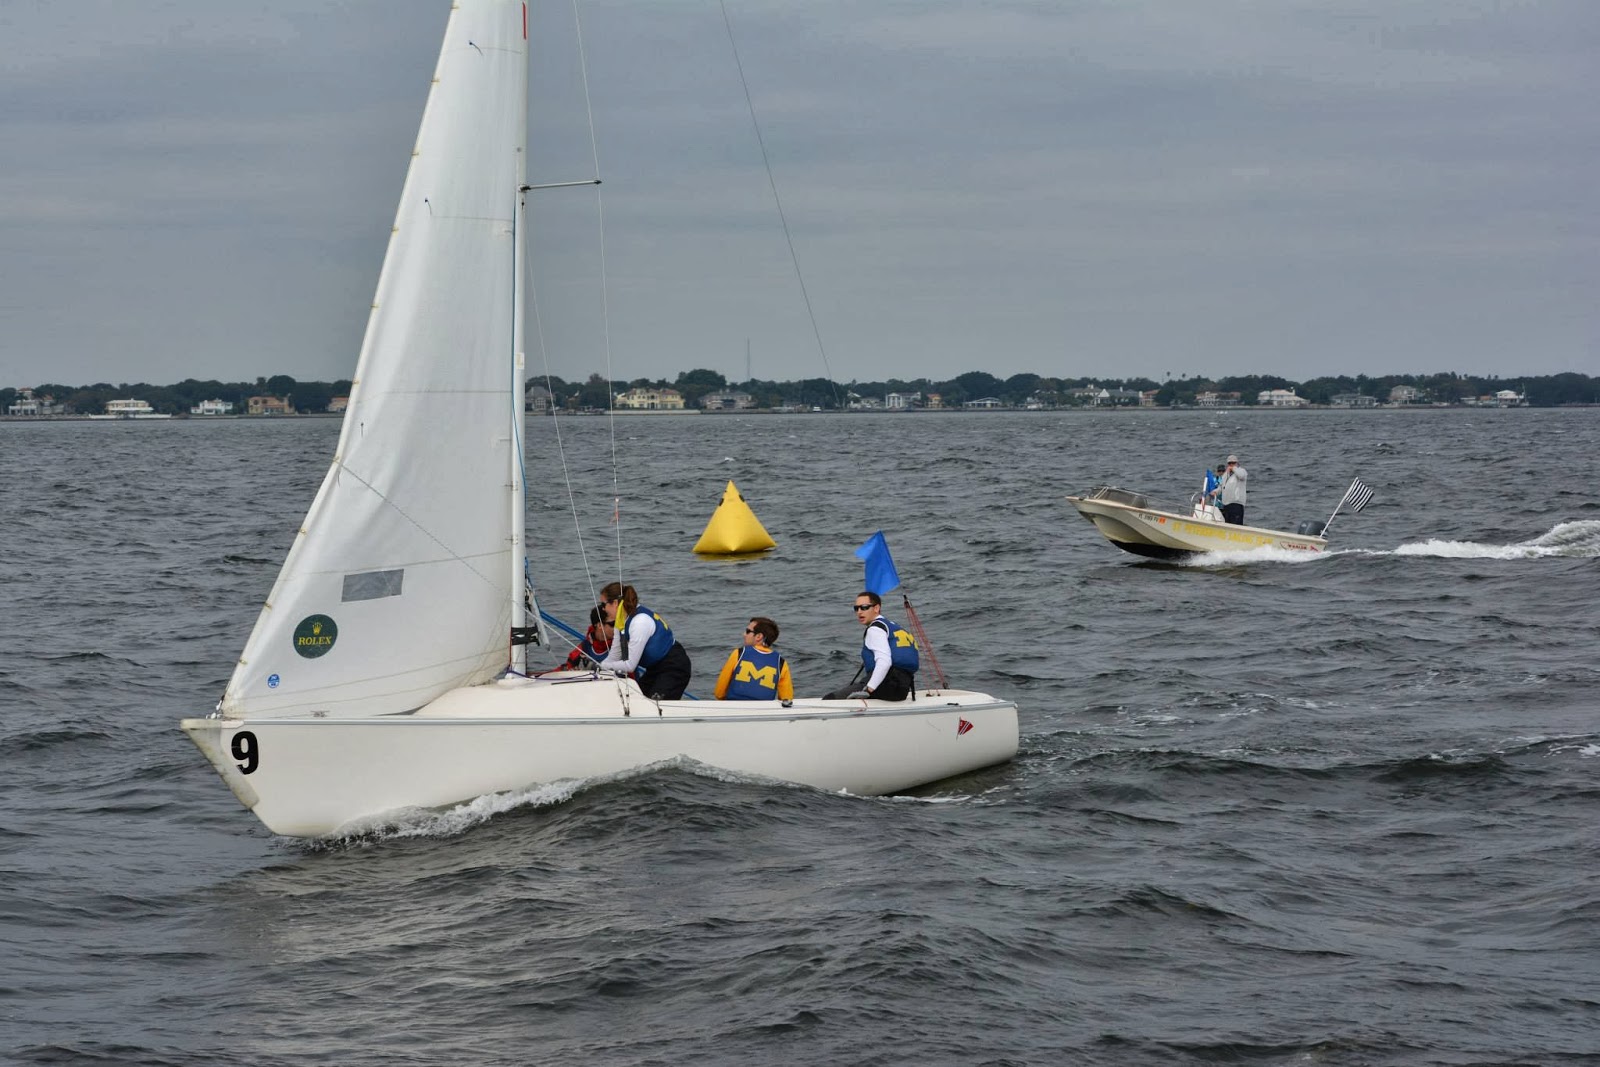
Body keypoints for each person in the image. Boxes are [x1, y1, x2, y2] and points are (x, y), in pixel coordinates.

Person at [597, 582, 693, 699]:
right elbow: (615, 655)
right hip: (654, 669)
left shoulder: (639, 622)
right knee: (634, 700)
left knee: (654, 705)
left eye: (604, 604)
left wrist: (604, 666)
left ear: (615, 603)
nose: (603, 609)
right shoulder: (621, 622)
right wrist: (599, 668)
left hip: (674, 666)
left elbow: (630, 665)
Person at [824, 591, 919, 701]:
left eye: (864, 607)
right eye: (856, 608)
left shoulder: (875, 629)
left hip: (884, 685)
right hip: (902, 689)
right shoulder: (894, 626)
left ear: (876, 608)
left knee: (830, 699)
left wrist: (869, 689)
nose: (859, 612)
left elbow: (884, 661)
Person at [712, 616, 794, 701]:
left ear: (758, 636)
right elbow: (786, 698)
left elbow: (719, 692)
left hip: (734, 707)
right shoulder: (781, 663)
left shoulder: (739, 653)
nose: (744, 634)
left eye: (748, 631)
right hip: (763, 711)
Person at [1217, 453, 1248, 525]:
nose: (1231, 464)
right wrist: (1215, 491)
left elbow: (1241, 476)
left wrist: (1234, 468)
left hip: (1236, 504)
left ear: (1237, 463)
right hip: (1226, 504)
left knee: (1236, 524)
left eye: (1233, 463)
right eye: (1229, 463)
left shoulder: (1242, 471)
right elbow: (1221, 487)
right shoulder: (1225, 474)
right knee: (1227, 523)